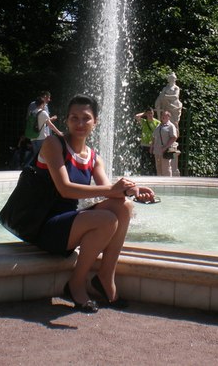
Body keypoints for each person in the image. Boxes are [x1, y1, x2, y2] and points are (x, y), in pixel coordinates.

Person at [34, 94, 155, 312]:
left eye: (86, 118)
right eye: (74, 118)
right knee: (106, 220)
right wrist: (114, 189)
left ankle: (105, 276)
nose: (80, 123)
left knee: (124, 207)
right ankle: (76, 283)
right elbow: (65, 189)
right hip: (45, 226)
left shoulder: (93, 157)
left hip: (69, 225)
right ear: (67, 120)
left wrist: (132, 191)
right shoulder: (54, 144)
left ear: (95, 122)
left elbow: (111, 193)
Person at [24, 96, 63, 166]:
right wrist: (59, 132)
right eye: (44, 104)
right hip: (41, 138)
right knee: (44, 156)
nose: (44, 105)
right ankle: (33, 168)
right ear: (42, 104)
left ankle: (33, 168)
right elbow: (50, 125)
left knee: (36, 156)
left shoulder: (32, 112)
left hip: (32, 137)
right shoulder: (43, 113)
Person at [151, 111, 178, 177]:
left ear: (168, 117)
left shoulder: (171, 126)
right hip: (157, 150)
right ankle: (159, 181)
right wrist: (152, 146)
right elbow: (154, 137)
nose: (162, 116)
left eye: (165, 115)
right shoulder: (159, 125)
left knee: (166, 168)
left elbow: (174, 137)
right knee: (158, 168)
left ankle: (167, 182)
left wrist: (165, 147)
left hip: (165, 151)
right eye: (162, 115)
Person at [134, 108, 160, 175]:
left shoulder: (157, 122)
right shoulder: (144, 122)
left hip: (153, 145)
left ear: (153, 114)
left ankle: (153, 174)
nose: (150, 115)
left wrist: (153, 145)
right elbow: (136, 116)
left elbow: (158, 135)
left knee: (153, 162)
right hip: (144, 144)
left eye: (151, 113)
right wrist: (144, 113)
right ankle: (143, 174)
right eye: (148, 113)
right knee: (143, 161)